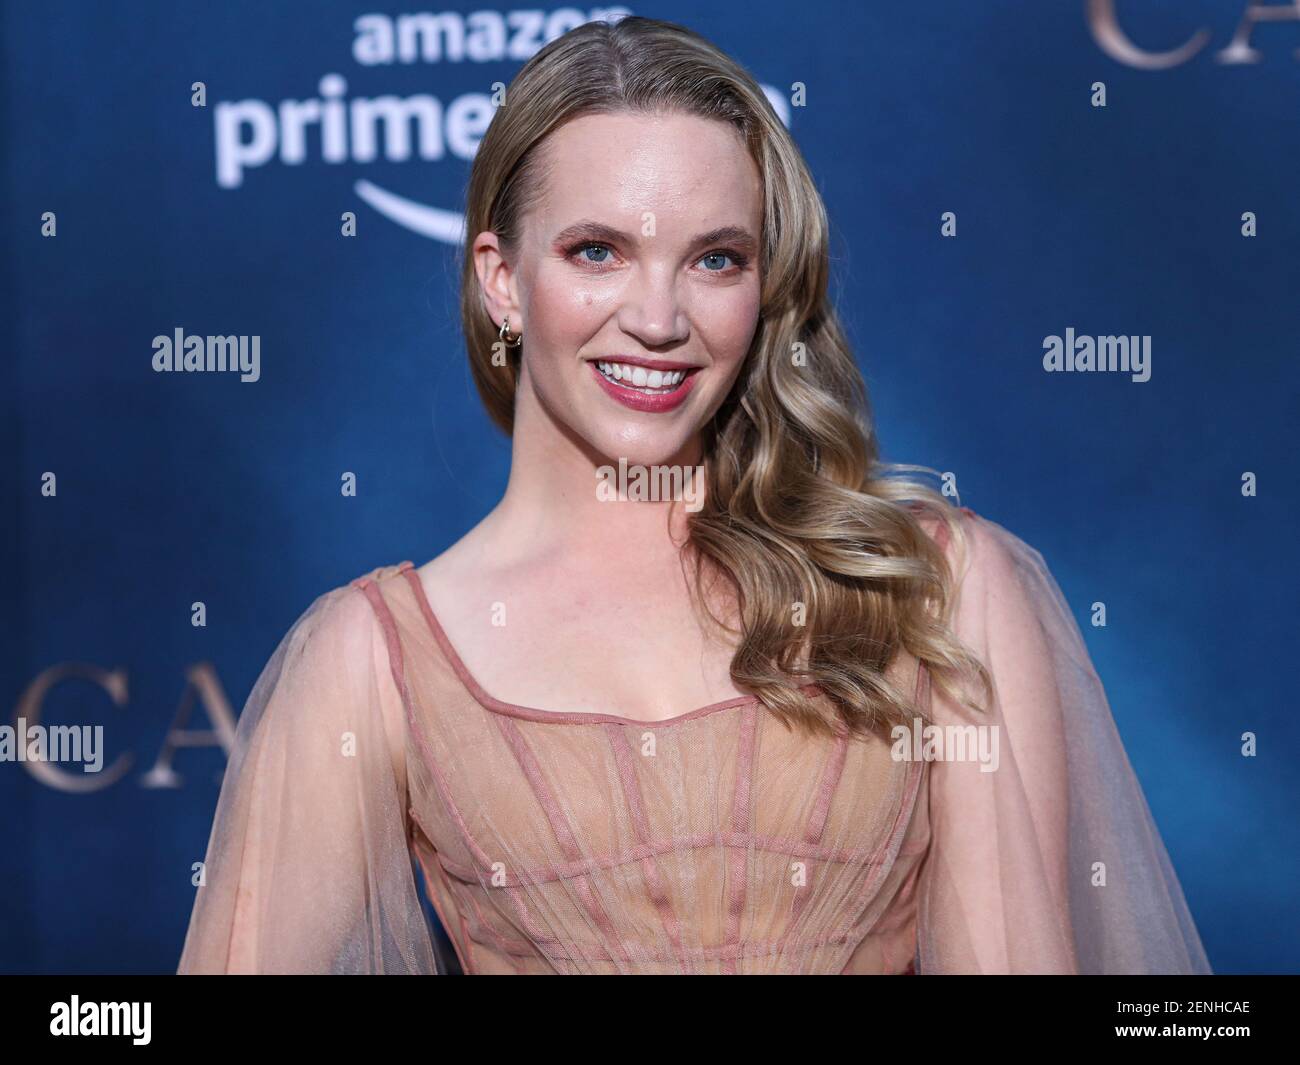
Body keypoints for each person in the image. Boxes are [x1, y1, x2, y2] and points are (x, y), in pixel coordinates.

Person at [176, 15, 1211, 974]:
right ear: (501, 279)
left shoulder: (934, 589)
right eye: (597, 252)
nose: (659, 318)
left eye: (716, 259)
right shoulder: (371, 661)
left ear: (763, 285)